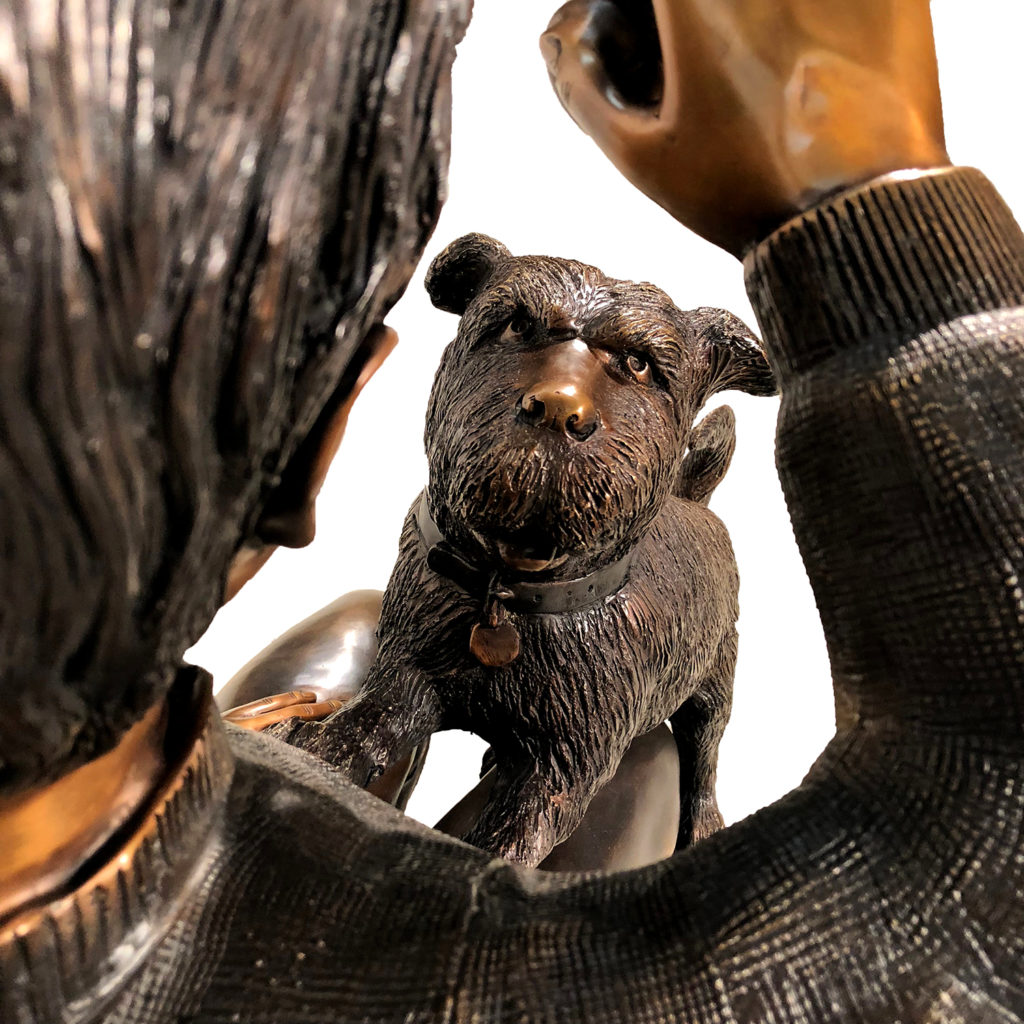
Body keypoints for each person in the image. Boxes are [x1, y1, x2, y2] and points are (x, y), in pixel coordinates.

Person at [2, 2, 1022, 1021]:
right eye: (517, 338)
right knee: (588, 789)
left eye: (627, 369)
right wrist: (875, 205)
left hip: (615, 659)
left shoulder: (676, 560)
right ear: (313, 446)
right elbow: (977, 863)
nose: (562, 394)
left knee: (643, 742)